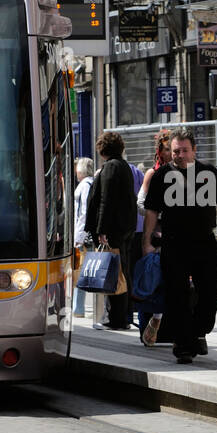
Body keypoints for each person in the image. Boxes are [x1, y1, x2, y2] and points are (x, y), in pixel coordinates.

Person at [142, 127, 217, 364]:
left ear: (194, 150)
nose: (179, 155)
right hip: (173, 243)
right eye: (175, 151)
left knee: (213, 289)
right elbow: (152, 211)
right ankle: (183, 345)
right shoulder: (161, 176)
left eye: (184, 150)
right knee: (177, 295)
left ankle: (198, 329)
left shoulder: (209, 173)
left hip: (204, 241)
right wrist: (147, 243)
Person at [86, 131, 138, 330]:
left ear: (102, 149)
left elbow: (105, 201)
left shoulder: (110, 167)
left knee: (112, 273)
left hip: (113, 230)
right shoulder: (124, 166)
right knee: (122, 272)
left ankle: (114, 318)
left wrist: (101, 229)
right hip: (125, 228)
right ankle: (123, 316)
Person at [137, 128, 173, 345]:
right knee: (155, 281)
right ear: (160, 151)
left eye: (174, 149)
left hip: (178, 235)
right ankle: (154, 321)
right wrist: (158, 212)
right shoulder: (153, 173)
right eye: (167, 149)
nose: (171, 154)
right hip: (157, 235)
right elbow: (140, 203)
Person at [71, 156, 95, 318]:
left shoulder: (84, 186)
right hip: (86, 234)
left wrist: (78, 236)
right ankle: (77, 307)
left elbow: (83, 213)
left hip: (82, 236)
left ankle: (78, 308)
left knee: (79, 272)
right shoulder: (90, 184)